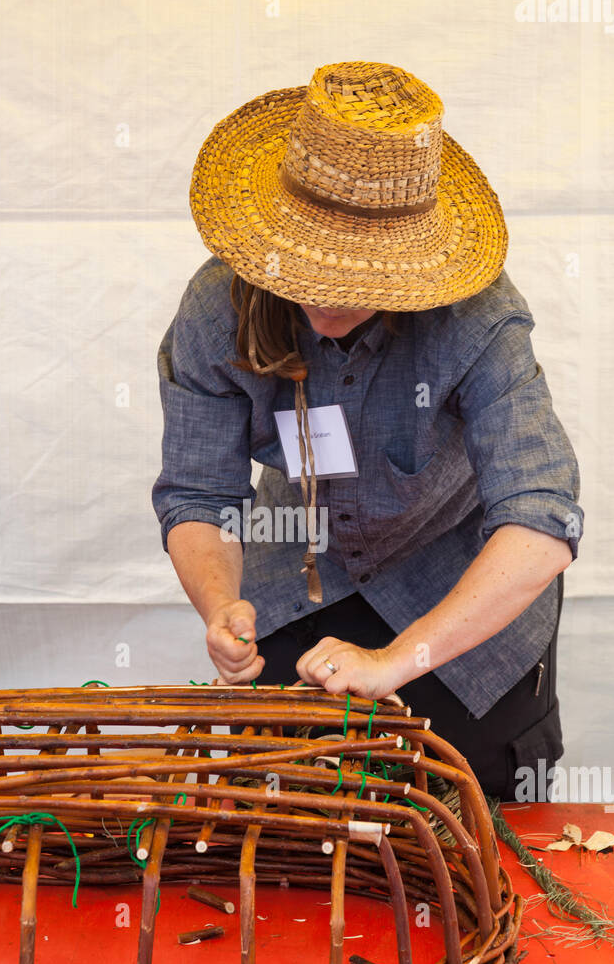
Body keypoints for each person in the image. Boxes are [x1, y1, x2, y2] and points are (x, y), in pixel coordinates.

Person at [152, 61, 583, 799]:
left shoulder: (479, 317)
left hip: (459, 602)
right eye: (311, 279)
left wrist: (395, 661)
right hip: (296, 581)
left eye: (360, 286)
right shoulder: (212, 307)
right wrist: (222, 603)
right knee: (287, 826)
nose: (326, 310)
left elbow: (542, 520)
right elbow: (199, 492)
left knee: (474, 841)